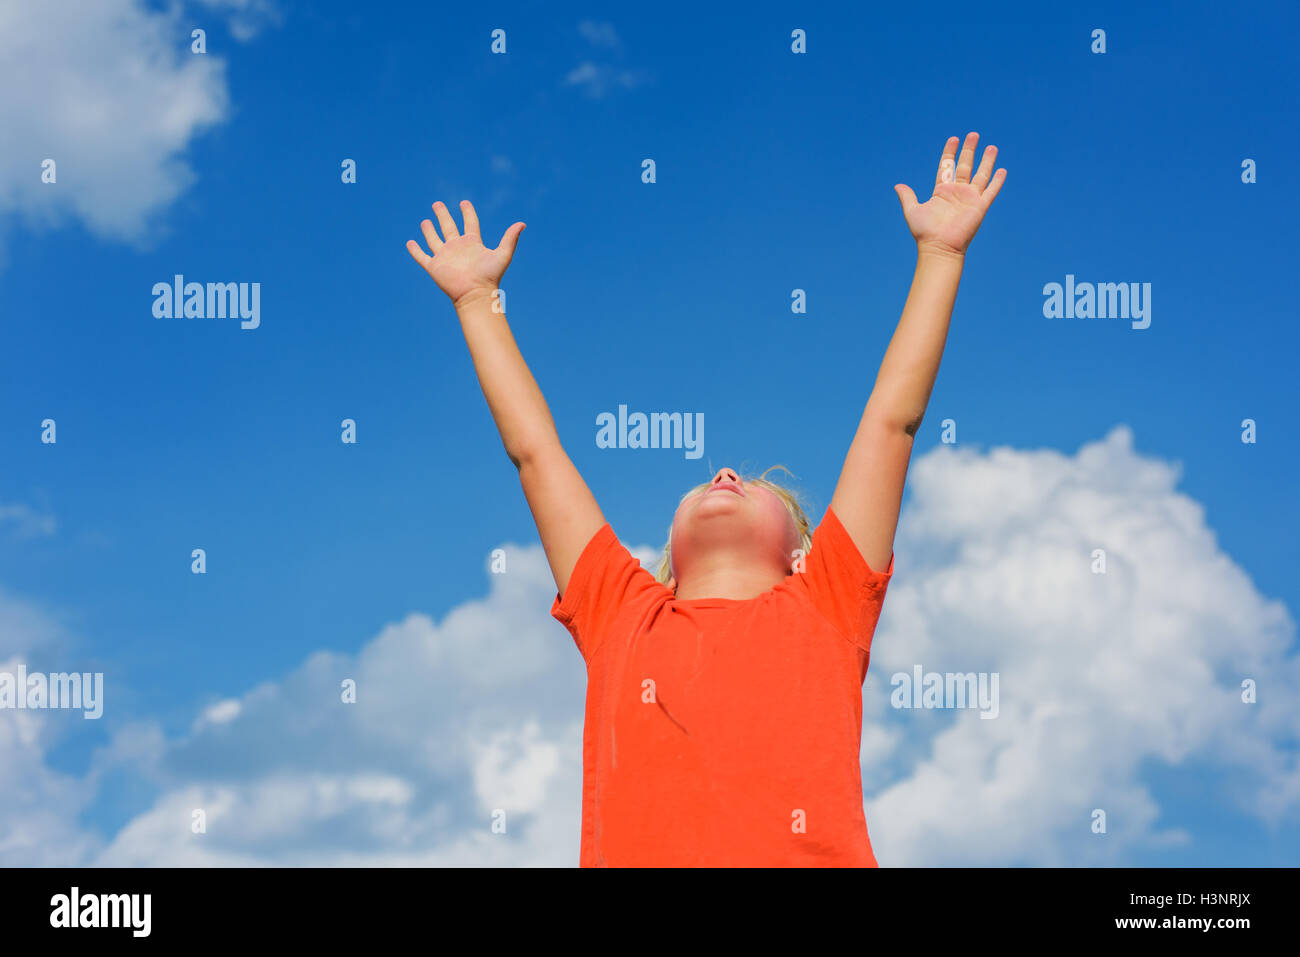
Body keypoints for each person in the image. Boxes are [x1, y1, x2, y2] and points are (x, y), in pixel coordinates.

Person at [405, 132, 1007, 865]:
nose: (725, 473)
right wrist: (477, 300)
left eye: (754, 485)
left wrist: (941, 258)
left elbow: (893, 421)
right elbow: (536, 454)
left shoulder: (828, 600)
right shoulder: (623, 613)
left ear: (801, 554)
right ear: (665, 562)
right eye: (709, 482)